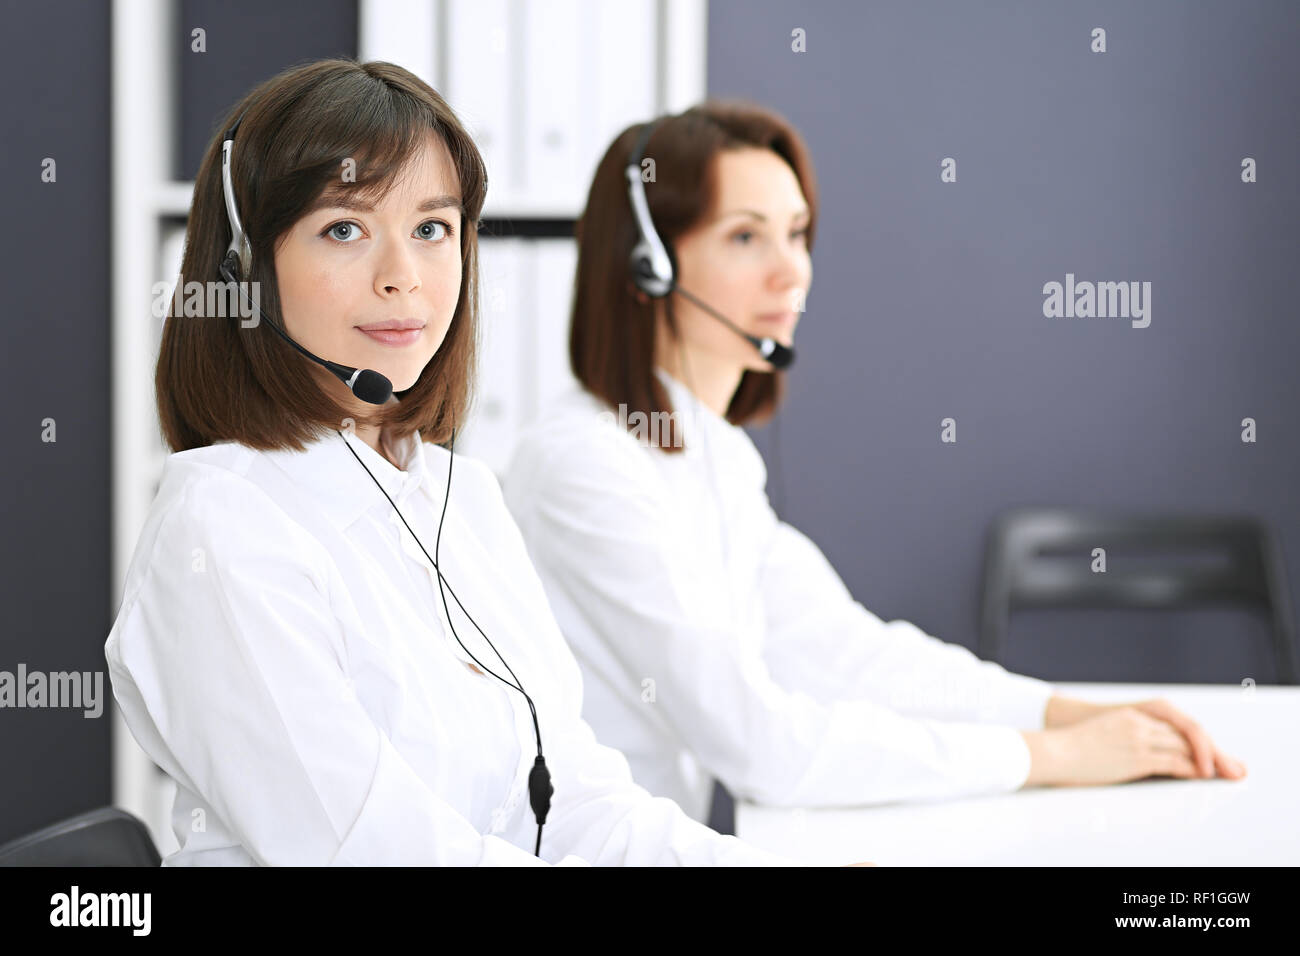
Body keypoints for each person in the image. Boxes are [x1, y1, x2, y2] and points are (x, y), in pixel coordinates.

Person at [104, 60, 828, 866]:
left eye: (432, 229)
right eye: (344, 228)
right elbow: (384, 854)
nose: (401, 277)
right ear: (246, 272)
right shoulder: (221, 533)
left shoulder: (460, 495)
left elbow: (579, 801)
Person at [502, 102, 1247, 826]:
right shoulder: (584, 467)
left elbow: (845, 652)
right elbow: (760, 745)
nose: (791, 272)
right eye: (744, 238)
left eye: (797, 234)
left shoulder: (713, 457)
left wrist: (1062, 710)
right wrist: (1046, 756)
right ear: (648, 268)